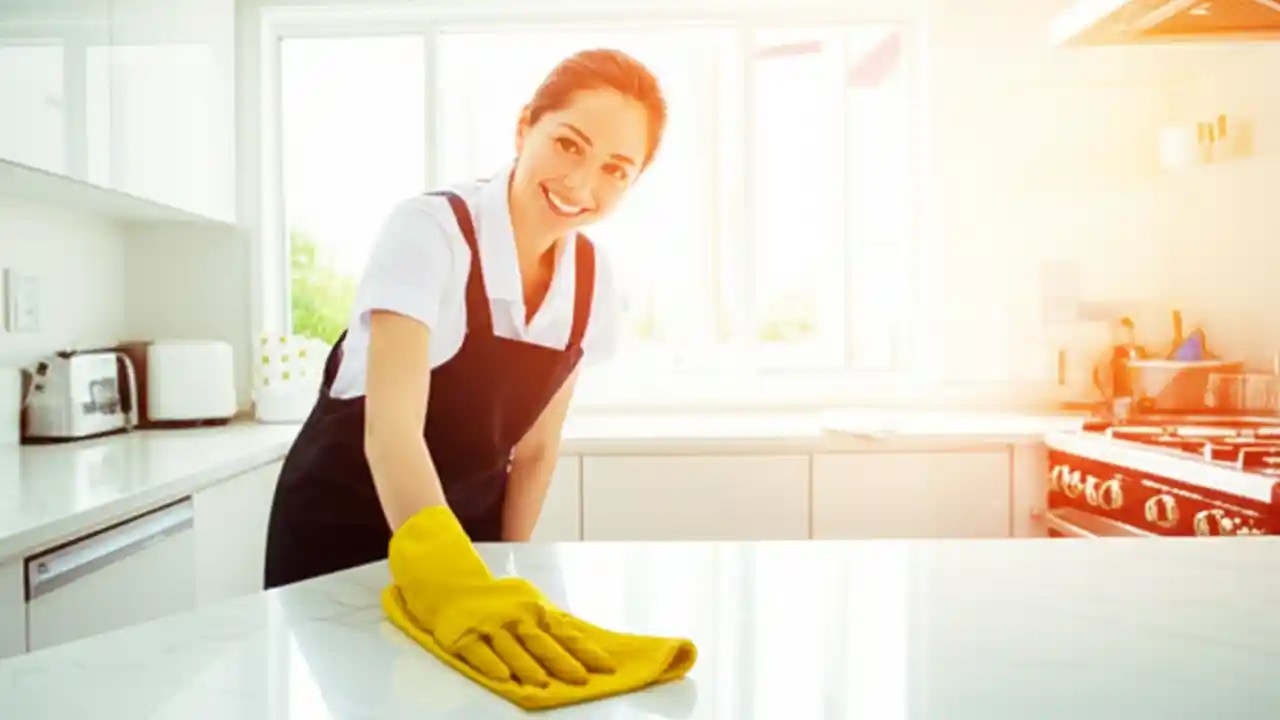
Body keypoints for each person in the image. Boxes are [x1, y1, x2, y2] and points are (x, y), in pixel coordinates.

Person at [263, 48, 667, 590]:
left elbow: (536, 450)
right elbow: (392, 433)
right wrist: (457, 590)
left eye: (615, 169)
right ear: (525, 128)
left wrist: (510, 573)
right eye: (568, 144)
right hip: (342, 534)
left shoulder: (591, 280)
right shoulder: (430, 233)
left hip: (471, 540)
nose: (580, 183)